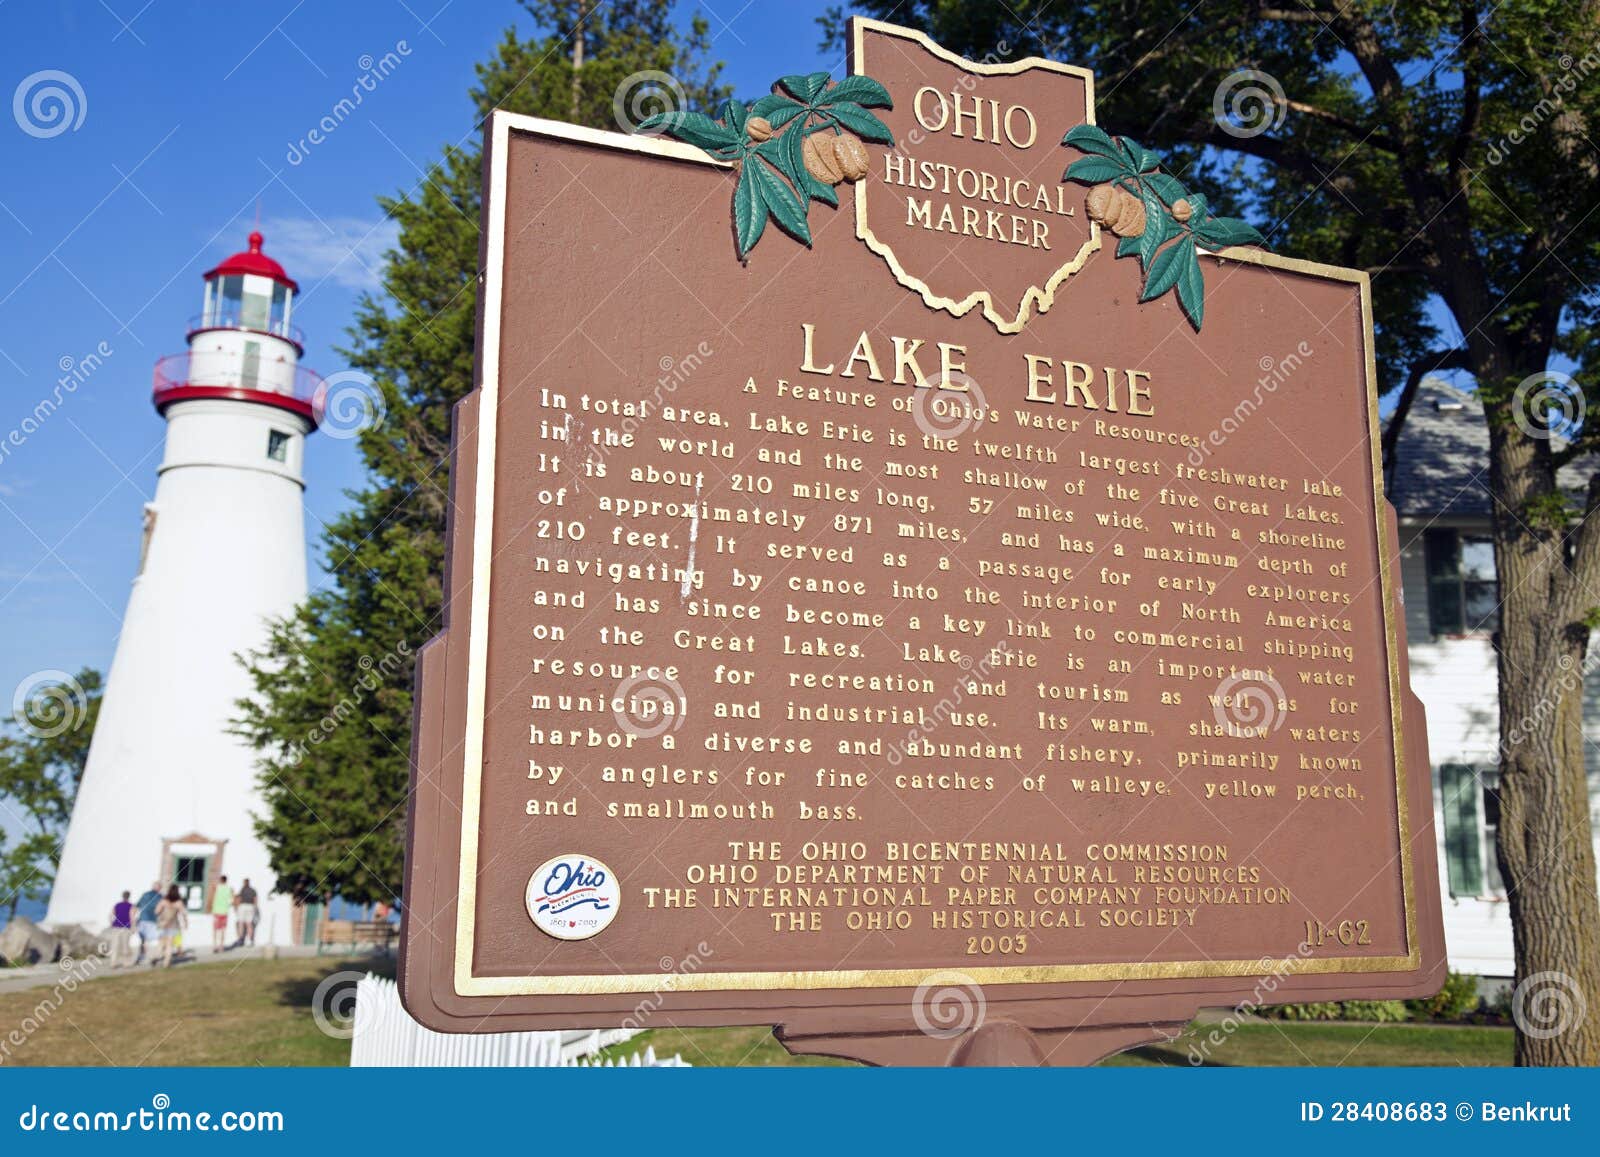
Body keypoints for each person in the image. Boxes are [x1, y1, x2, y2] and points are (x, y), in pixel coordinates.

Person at [154, 885, 186, 968]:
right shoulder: (179, 902)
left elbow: (156, 912)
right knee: (170, 945)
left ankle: (157, 956)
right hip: (173, 925)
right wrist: (185, 923)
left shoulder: (163, 901)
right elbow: (184, 914)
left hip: (163, 925)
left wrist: (162, 913)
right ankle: (166, 963)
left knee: (161, 943)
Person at [134, 882, 162, 964]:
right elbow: (160, 910)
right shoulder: (160, 897)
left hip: (142, 920)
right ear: (159, 888)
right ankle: (148, 958)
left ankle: (141, 957)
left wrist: (133, 920)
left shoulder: (145, 895)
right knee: (150, 941)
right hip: (152, 921)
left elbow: (136, 907)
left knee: (143, 940)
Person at [206, 875, 234, 952]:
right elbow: (232, 900)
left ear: (220, 880)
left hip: (216, 911)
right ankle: (221, 947)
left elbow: (211, 897)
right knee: (223, 930)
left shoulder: (216, 887)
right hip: (224, 912)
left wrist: (209, 907)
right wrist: (228, 904)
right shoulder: (229, 889)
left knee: (215, 930)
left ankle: (215, 946)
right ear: (226, 880)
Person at [108, 891, 135, 967]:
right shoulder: (131, 906)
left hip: (116, 927)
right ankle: (126, 963)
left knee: (115, 945)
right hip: (126, 928)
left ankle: (114, 962)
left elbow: (110, 915)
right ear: (129, 896)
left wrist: (111, 923)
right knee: (125, 945)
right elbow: (132, 917)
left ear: (122, 896)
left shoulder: (117, 905)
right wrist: (133, 928)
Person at [235, 878, 258, 947]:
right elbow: (255, 900)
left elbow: (239, 899)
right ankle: (250, 941)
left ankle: (241, 940)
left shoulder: (242, 890)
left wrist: (237, 907)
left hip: (243, 906)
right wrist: (254, 908)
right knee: (249, 924)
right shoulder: (253, 890)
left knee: (241, 923)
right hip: (251, 906)